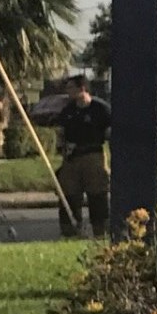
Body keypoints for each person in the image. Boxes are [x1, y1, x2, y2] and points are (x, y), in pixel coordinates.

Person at [53, 75, 111, 238]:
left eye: (71, 88)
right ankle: (70, 231)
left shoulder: (100, 109)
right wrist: (62, 148)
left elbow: (109, 132)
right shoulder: (68, 111)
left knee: (97, 194)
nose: (68, 91)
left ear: (82, 88)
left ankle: (100, 231)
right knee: (69, 194)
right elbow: (61, 132)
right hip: (72, 157)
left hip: (93, 155)